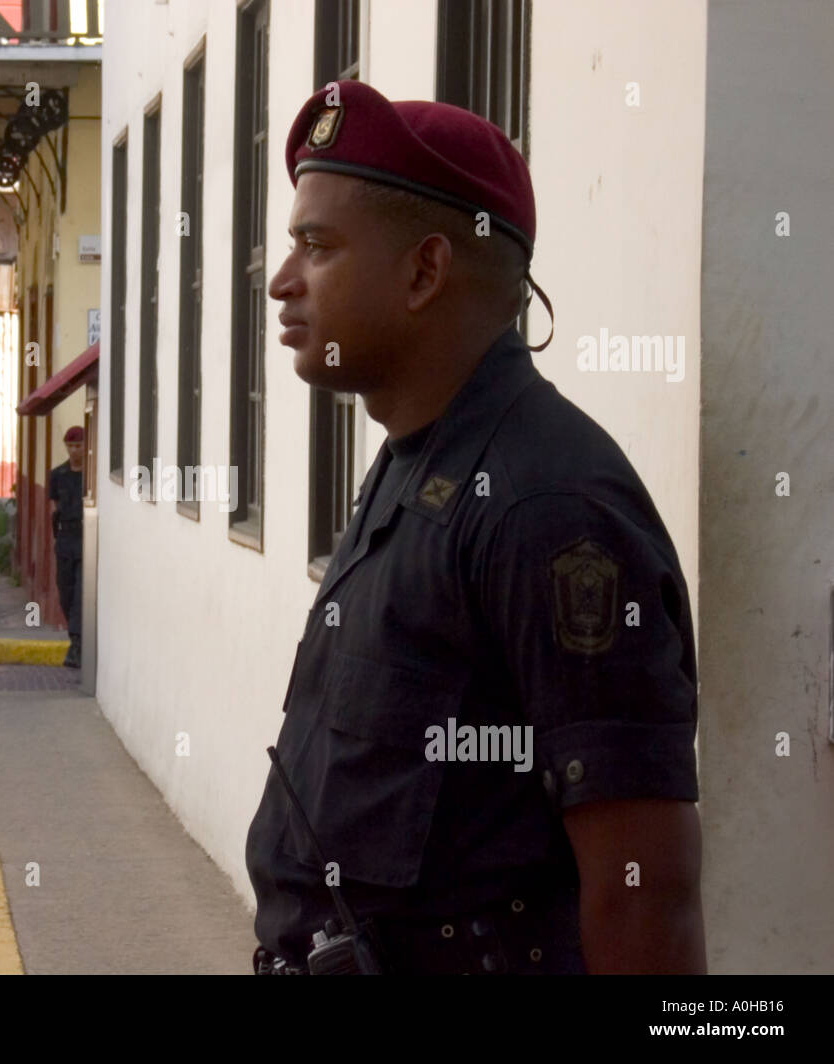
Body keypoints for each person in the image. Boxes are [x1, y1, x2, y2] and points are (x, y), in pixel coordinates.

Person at [245, 80, 704, 975]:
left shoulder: (552, 510)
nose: (282, 280)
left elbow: (645, 890)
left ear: (424, 272)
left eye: (317, 245)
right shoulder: (414, 463)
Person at [48, 425, 84, 668]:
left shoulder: (91, 474)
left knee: (82, 591)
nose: (73, 451)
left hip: (85, 538)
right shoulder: (58, 474)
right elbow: (54, 510)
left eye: (78, 445)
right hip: (65, 538)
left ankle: (76, 643)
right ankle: (75, 638)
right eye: (70, 446)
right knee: (66, 591)